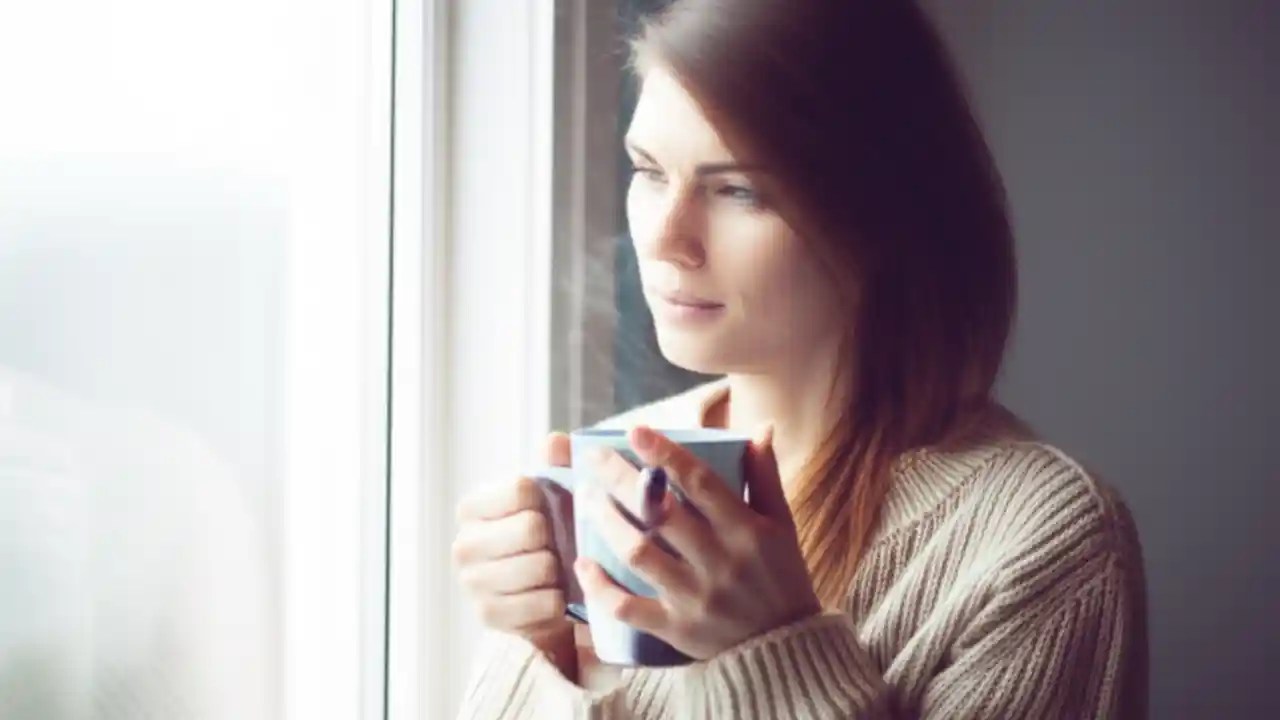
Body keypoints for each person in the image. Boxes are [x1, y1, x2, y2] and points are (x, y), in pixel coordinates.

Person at [450, 1, 1148, 717]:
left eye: (738, 190)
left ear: (881, 214)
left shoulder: (1043, 544)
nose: (663, 240)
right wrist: (544, 646)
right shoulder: (628, 465)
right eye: (649, 170)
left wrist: (774, 650)